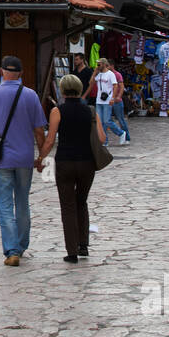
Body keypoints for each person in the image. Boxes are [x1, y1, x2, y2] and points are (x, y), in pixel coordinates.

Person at [0, 56, 47, 267]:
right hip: (24, 158)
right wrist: (41, 156)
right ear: (21, 73)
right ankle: (22, 245)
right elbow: (39, 131)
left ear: (1, 71)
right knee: (22, 202)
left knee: (5, 205)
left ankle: (12, 250)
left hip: (0, 158)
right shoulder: (31, 95)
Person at [37, 74, 102, 264]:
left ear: (62, 90)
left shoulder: (58, 111)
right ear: (80, 89)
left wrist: (41, 158)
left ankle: (71, 251)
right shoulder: (90, 111)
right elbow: (102, 138)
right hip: (87, 163)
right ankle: (83, 245)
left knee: (67, 206)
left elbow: (50, 140)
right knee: (82, 202)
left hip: (65, 162)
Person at [92, 59, 128, 146]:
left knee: (107, 120)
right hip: (99, 100)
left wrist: (113, 98)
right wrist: (94, 73)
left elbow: (115, 86)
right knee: (100, 122)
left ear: (104, 64)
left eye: (99, 64)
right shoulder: (99, 74)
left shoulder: (110, 74)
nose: (98, 66)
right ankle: (105, 141)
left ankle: (121, 133)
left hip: (107, 100)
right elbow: (91, 82)